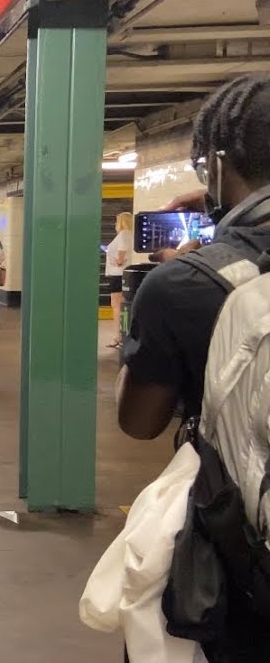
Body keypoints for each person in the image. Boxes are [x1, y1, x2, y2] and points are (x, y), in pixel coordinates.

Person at [116, 72, 270, 661]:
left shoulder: (186, 284)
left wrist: (160, 288)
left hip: (239, 556)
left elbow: (139, 419)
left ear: (219, 164)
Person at [105, 212, 133, 348]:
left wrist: (119, 260)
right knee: (123, 306)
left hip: (117, 274)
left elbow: (122, 250)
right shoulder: (130, 234)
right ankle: (123, 335)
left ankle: (118, 336)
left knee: (116, 305)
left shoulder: (123, 234)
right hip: (124, 274)